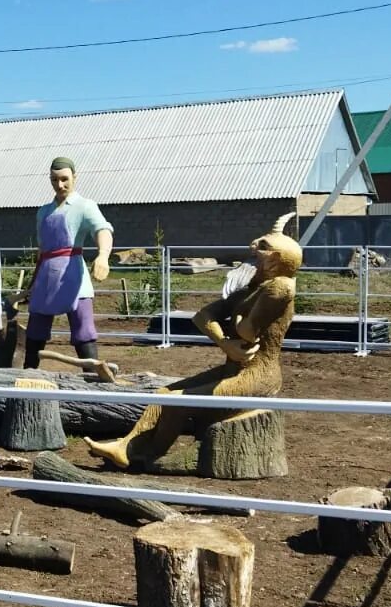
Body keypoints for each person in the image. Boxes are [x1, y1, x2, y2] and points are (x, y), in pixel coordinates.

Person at [84, 213, 300, 470]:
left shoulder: (280, 287)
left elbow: (247, 333)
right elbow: (203, 316)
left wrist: (239, 318)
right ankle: (126, 446)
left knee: (180, 403)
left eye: (263, 247)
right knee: (165, 393)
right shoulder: (252, 290)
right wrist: (224, 342)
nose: (255, 247)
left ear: (275, 260)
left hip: (258, 375)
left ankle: (145, 456)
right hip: (235, 367)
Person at [23, 156, 113, 370]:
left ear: (75, 177)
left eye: (64, 179)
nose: (60, 185)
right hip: (45, 276)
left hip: (74, 275)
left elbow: (102, 229)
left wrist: (103, 255)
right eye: (54, 180)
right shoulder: (43, 212)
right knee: (35, 331)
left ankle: (94, 380)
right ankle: (28, 378)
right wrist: (30, 285)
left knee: (84, 332)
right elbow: (42, 250)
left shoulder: (84, 206)